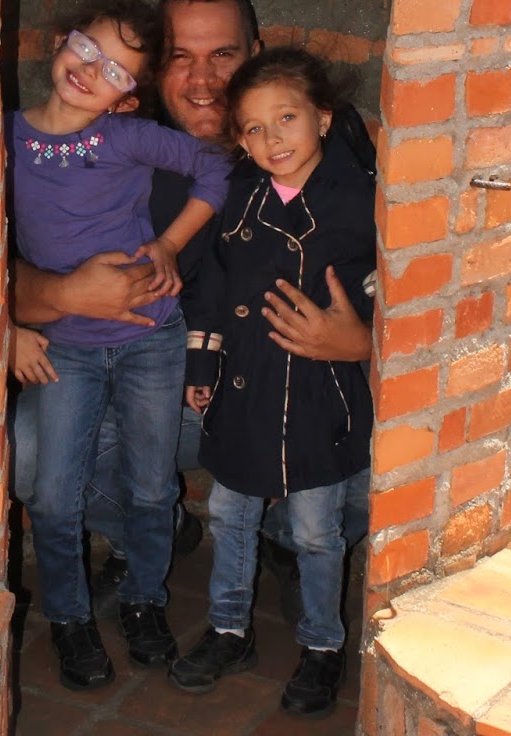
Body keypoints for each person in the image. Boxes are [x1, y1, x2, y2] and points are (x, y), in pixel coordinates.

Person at [10, 0, 231, 691]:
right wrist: (8, 324)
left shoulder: (125, 138)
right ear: (60, 40)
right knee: (50, 496)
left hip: (150, 342)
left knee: (147, 484)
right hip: (63, 348)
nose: (91, 70)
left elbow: (215, 167)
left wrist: (168, 243)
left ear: (128, 98)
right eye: (86, 48)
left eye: (116, 71)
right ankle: (70, 618)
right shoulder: (2, 139)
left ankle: (143, 601)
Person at [170, 48, 376, 718]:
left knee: (318, 531)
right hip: (244, 388)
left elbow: (386, 295)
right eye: (253, 128)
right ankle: (229, 630)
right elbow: (211, 289)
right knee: (230, 515)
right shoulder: (237, 196)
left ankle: (322, 645)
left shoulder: (362, 202)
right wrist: (203, 365)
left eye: (286, 118)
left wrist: (360, 337)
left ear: (322, 116)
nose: (272, 139)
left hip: (321, 394)